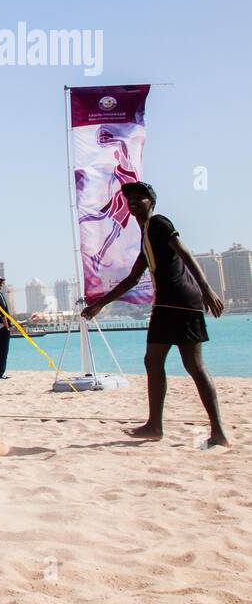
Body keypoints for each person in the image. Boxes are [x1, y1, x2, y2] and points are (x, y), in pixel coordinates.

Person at [82, 181, 229, 447]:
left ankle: (209, 431)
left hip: (179, 303)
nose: (134, 202)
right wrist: (100, 305)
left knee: (191, 366)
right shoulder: (146, 236)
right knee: (157, 362)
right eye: (131, 200)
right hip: (170, 304)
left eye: (141, 198)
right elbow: (132, 279)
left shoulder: (159, 223)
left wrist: (208, 289)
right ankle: (156, 425)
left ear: (152, 202)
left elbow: (184, 253)